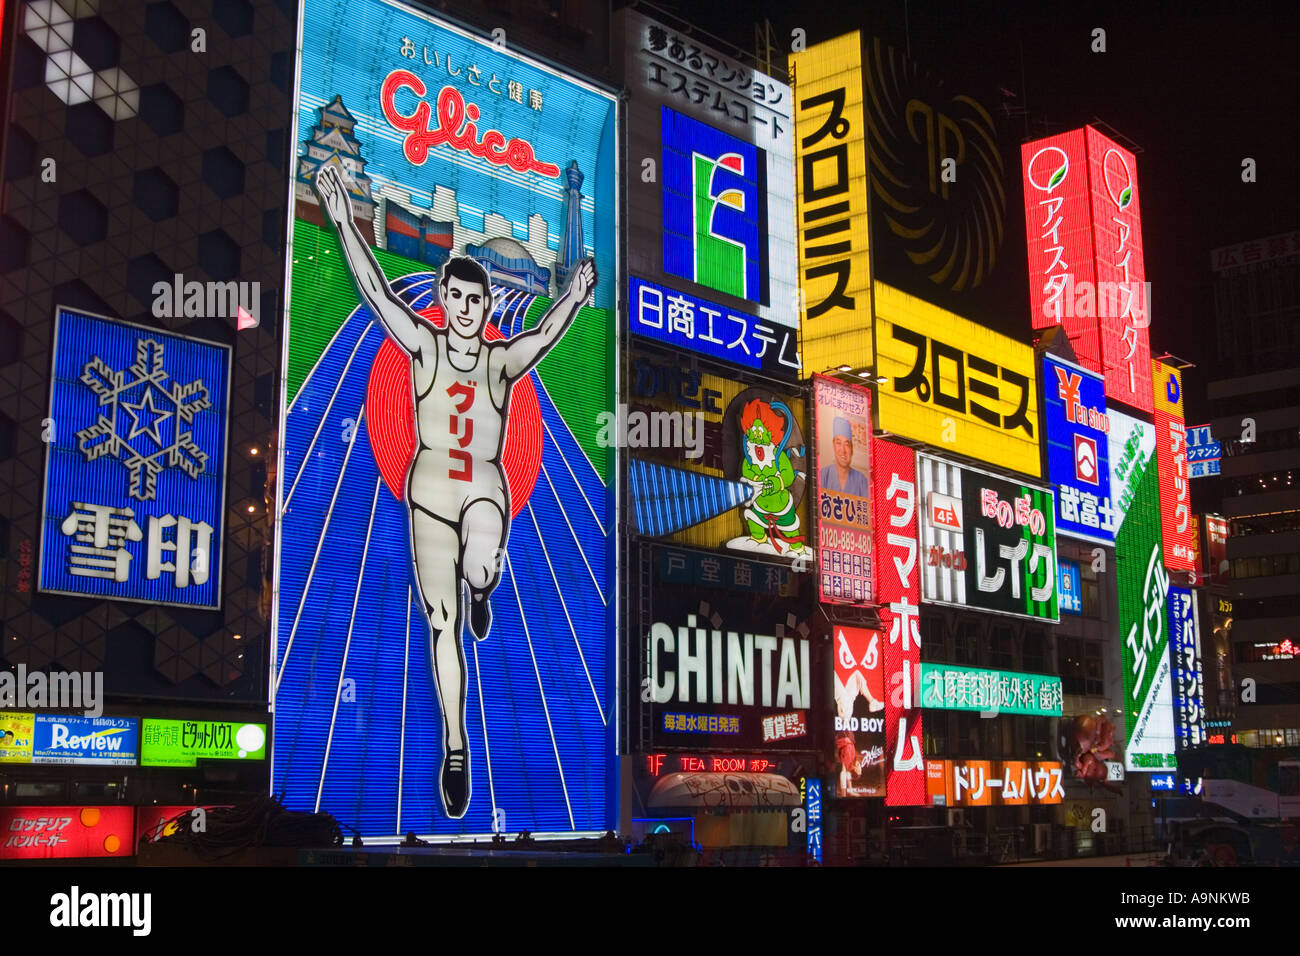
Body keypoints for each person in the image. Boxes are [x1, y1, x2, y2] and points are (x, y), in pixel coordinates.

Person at [315, 163, 594, 818]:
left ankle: (484, 586)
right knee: (444, 627)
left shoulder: (500, 363)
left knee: (482, 558)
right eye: (458, 298)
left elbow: (545, 334)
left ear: (488, 306)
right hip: (430, 495)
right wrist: (339, 216)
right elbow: (376, 292)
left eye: (477, 301)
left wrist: (578, 295)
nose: (467, 310)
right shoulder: (424, 347)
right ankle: (456, 744)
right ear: (444, 297)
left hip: (485, 491)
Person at [819, 416, 870, 497]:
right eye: (838, 443)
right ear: (833, 446)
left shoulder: (862, 481)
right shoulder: (823, 475)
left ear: (852, 449)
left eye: (847, 444)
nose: (843, 450)